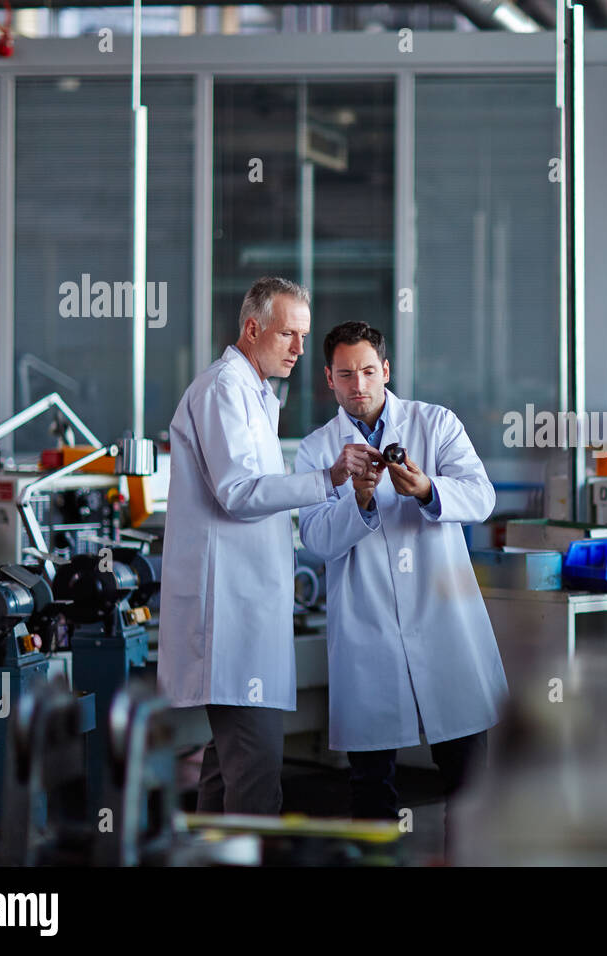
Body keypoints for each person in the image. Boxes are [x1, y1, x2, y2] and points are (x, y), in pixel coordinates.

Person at [158, 277, 368, 815]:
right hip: (231, 619)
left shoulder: (255, 393)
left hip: (249, 613)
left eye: (303, 335)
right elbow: (239, 492)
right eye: (288, 335)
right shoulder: (223, 389)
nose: (301, 349)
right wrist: (328, 478)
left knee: (227, 772)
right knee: (254, 781)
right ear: (253, 329)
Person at [294, 321, 507, 837]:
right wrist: (360, 501)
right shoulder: (318, 451)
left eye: (368, 371)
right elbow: (317, 539)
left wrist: (428, 488)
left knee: (467, 781)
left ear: (386, 370)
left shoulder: (435, 425)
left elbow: (481, 497)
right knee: (371, 789)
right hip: (368, 636)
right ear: (329, 378)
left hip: (443, 624)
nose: (359, 385)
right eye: (346, 374)